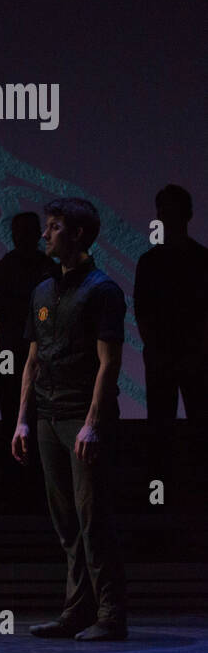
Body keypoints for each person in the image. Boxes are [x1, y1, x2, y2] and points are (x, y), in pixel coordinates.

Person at [14, 198, 128, 641]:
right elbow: (32, 361)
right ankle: (77, 611)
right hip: (47, 416)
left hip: (83, 416)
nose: (46, 234)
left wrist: (93, 422)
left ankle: (111, 615)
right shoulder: (42, 292)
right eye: (47, 226)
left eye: (55, 227)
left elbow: (109, 363)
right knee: (66, 523)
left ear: (77, 234)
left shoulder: (103, 291)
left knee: (93, 517)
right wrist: (23, 419)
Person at [0, 212, 60, 499]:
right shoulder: (43, 269)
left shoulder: (34, 268)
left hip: (25, 348)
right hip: (24, 348)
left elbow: (0, 304)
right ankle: (22, 482)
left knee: (26, 414)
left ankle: (22, 482)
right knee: (19, 413)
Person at [133, 185, 208, 460]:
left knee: (195, 425)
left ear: (186, 215)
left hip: (191, 356)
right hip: (167, 356)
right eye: (163, 211)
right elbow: (142, 312)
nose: (166, 216)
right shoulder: (151, 262)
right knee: (162, 428)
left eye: (171, 210)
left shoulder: (201, 260)